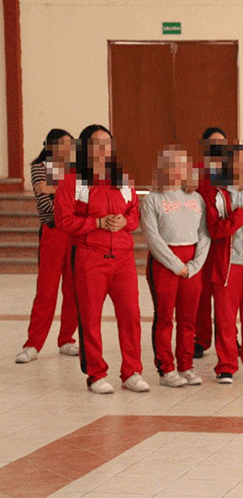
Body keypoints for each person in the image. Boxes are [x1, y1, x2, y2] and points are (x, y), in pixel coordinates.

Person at [55, 124, 146, 394]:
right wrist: (96, 222)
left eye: (108, 143)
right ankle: (96, 374)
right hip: (89, 257)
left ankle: (132, 371)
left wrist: (124, 221)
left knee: (131, 315)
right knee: (91, 318)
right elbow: (63, 220)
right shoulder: (72, 181)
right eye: (98, 143)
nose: (104, 149)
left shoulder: (123, 179)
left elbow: (134, 214)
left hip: (123, 257)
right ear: (85, 148)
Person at [140, 146, 210, 387]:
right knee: (165, 318)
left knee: (188, 319)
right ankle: (166, 368)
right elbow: (152, 238)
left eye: (181, 164)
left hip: (192, 262)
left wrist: (195, 264)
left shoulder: (196, 198)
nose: (177, 169)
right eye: (171, 164)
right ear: (162, 168)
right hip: (164, 262)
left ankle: (186, 365)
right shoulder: (152, 200)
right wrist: (175, 264)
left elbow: (204, 233)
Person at [15, 129, 78, 364]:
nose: (69, 149)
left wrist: (54, 190)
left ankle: (67, 339)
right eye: (65, 144)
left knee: (73, 289)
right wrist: (65, 195)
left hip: (73, 234)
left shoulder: (74, 169)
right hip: (52, 232)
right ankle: (33, 343)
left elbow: (79, 199)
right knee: (46, 290)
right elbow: (45, 203)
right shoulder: (40, 166)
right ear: (52, 146)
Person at [202, 145, 243, 383]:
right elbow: (216, 230)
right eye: (234, 161)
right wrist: (240, 215)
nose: (240, 166)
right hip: (228, 264)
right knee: (225, 318)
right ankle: (226, 365)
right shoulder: (218, 194)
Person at [193, 126, 227, 359]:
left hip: (226, 238)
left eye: (221, 144)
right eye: (213, 144)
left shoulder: (233, 170)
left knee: (226, 296)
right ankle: (201, 338)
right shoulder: (194, 172)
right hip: (201, 239)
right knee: (202, 294)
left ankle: (228, 337)